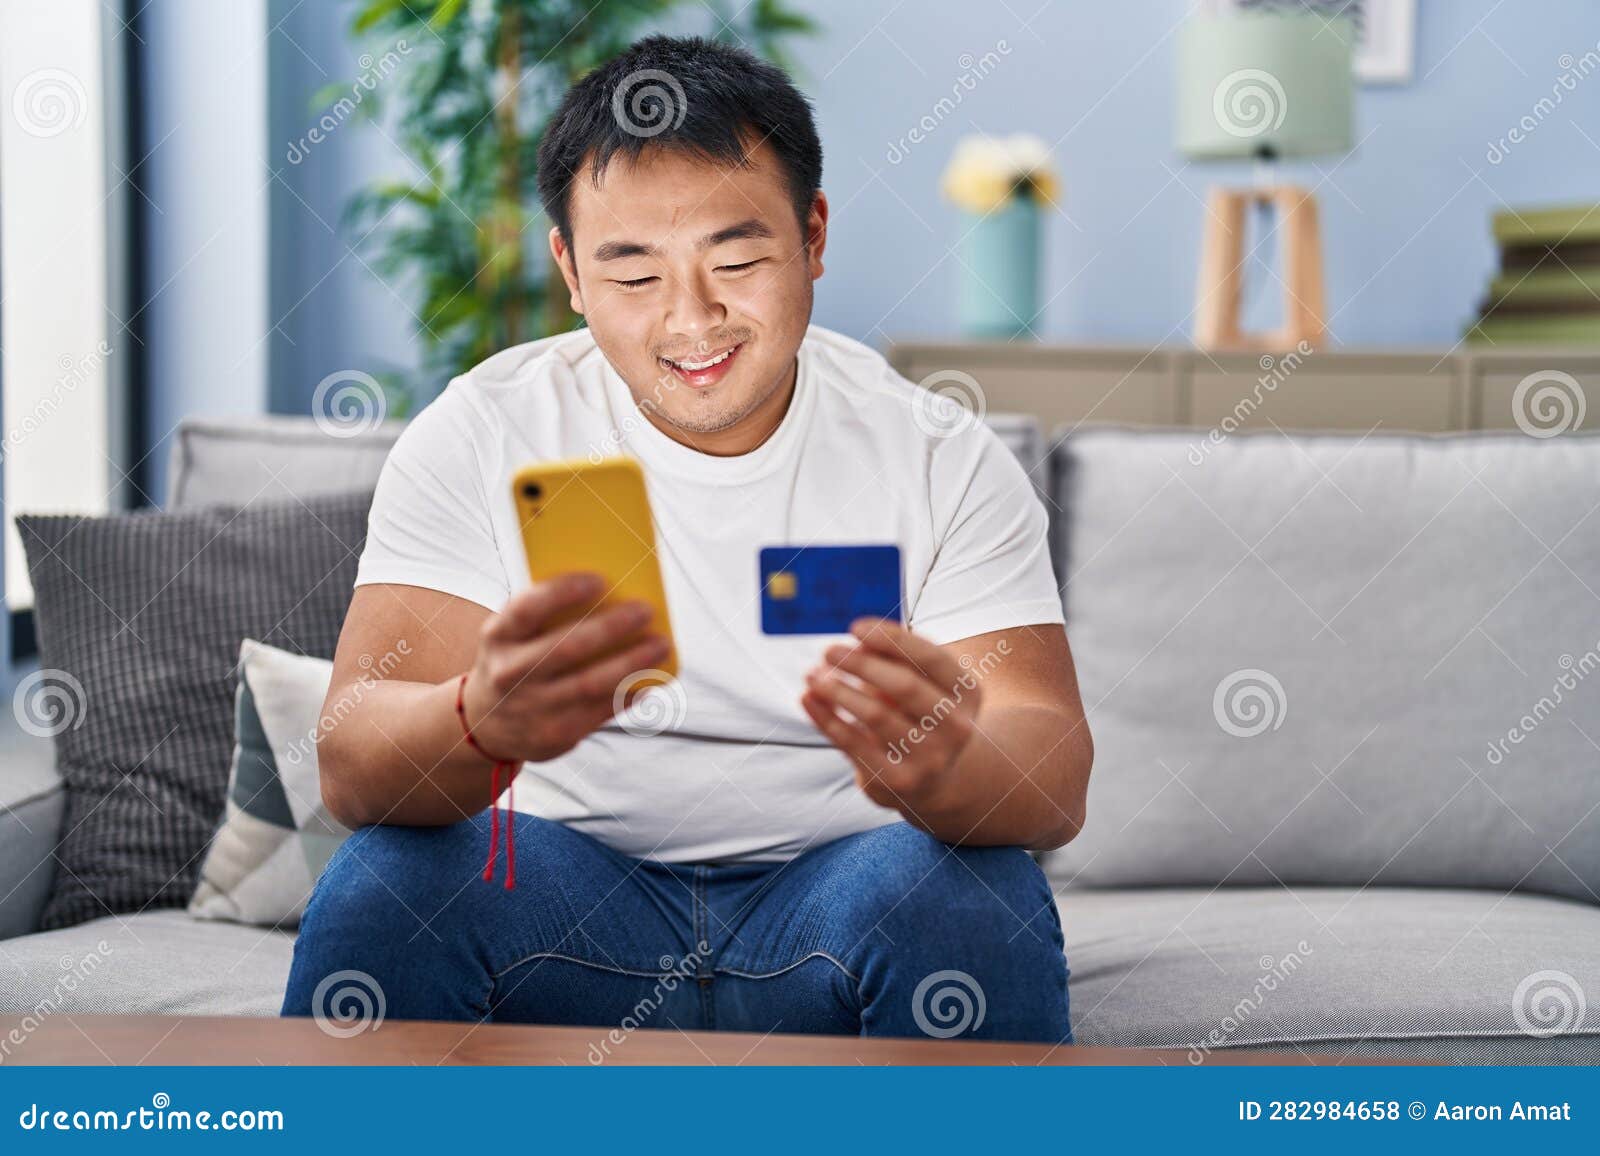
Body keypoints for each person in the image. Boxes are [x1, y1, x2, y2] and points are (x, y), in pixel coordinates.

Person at [281, 33, 1092, 1044]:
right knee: (387, 884)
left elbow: (1053, 775)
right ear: (570, 271)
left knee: (969, 897)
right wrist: (477, 719)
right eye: (633, 278)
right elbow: (351, 759)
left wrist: (951, 766)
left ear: (813, 236)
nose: (693, 319)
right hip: (561, 898)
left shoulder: (939, 455)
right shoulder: (483, 429)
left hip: (845, 895)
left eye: (737, 261)